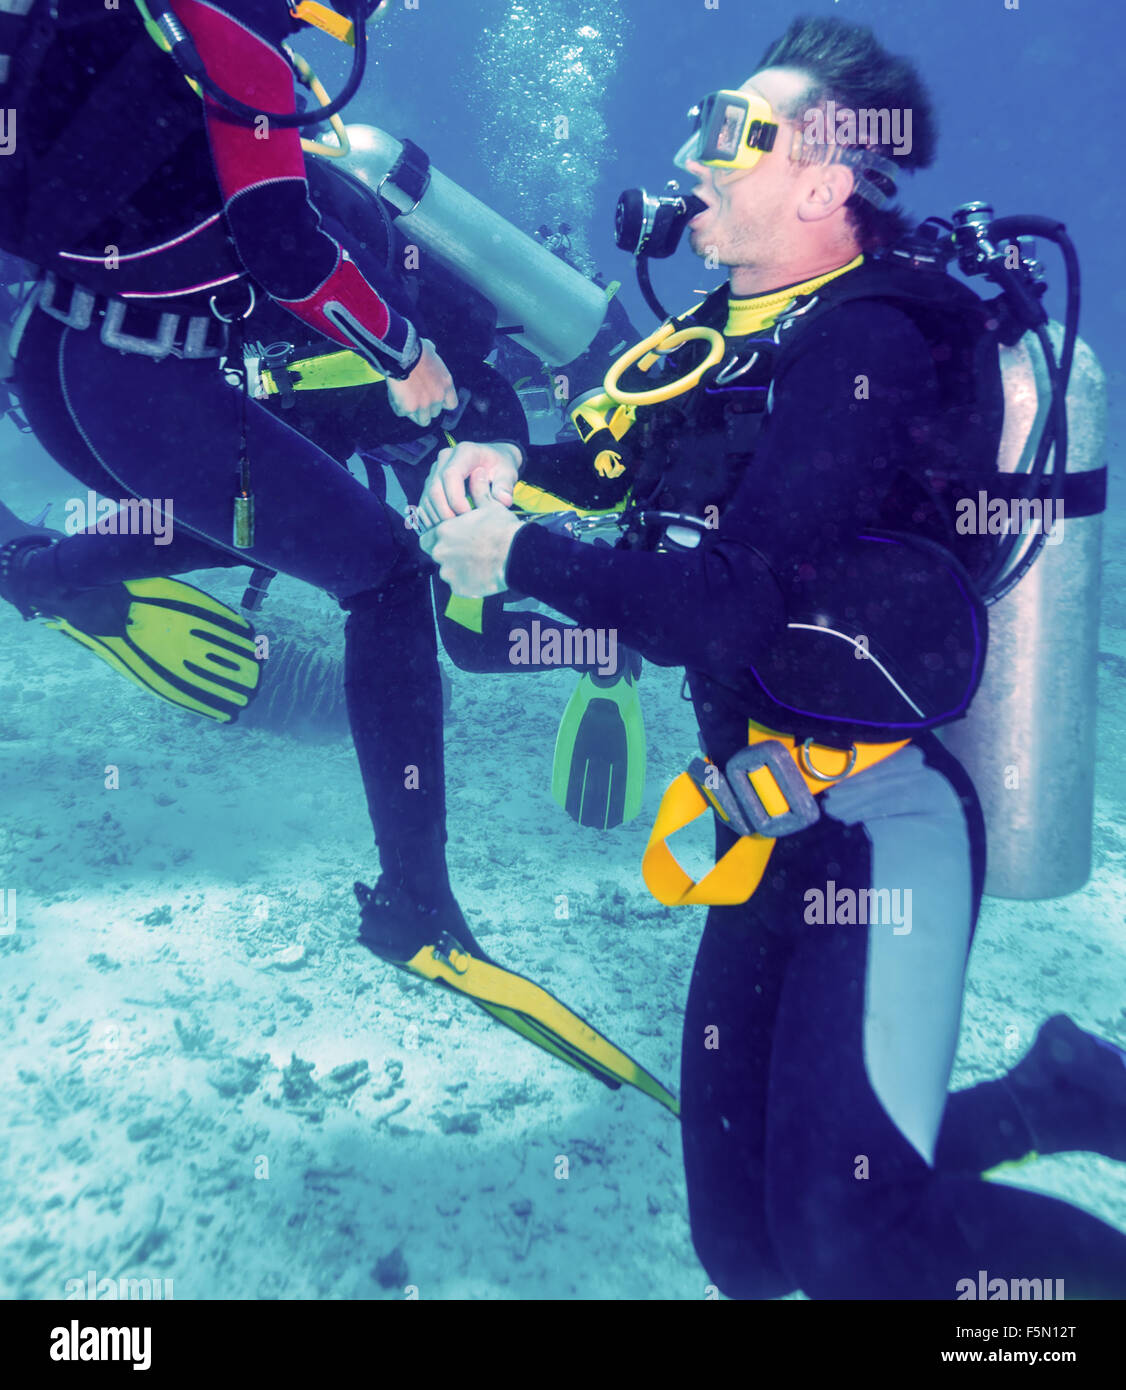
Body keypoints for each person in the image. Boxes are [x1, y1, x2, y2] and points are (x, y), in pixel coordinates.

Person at [415, 16, 1126, 1299]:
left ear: (825, 180)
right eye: (703, 125)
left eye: (734, 135)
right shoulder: (741, 330)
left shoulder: (872, 343)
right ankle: (1045, 1096)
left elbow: (728, 605)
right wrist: (520, 468)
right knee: (747, 1247)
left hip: (881, 815)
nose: (693, 160)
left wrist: (513, 558)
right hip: (760, 822)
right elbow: (643, 467)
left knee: (853, 1244)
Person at [0, 0, 478, 946]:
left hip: (59, 355)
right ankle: (417, 904)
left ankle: (40, 574)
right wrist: (403, 350)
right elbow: (287, 253)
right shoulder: (238, 48)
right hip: (135, 383)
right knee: (385, 574)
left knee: (241, 513)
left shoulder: (149, 21)